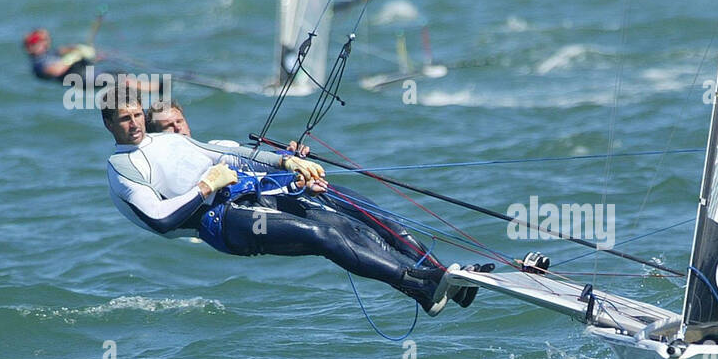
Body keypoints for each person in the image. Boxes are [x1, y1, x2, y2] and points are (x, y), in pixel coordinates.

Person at [101, 91, 486, 315]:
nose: (134, 124)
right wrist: (203, 188)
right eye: (125, 119)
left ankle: (438, 282)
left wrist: (289, 161)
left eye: (136, 115)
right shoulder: (122, 168)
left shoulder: (176, 143)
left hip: (253, 196)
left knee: (345, 221)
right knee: (322, 233)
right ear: (110, 125)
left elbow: (237, 156)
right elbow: (159, 220)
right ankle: (422, 284)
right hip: (220, 221)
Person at [144, 99, 311, 156]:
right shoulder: (161, 169)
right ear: (156, 136)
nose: (177, 128)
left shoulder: (219, 145)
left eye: (179, 121)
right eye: (168, 126)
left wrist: (288, 155)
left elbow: (256, 159)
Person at [23, 28, 96, 81]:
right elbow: (56, 70)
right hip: (80, 80)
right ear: (29, 47)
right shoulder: (38, 64)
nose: (43, 43)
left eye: (44, 40)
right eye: (36, 41)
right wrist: (72, 58)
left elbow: (64, 50)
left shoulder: (51, 53)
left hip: (88, 72)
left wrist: (79, 49)